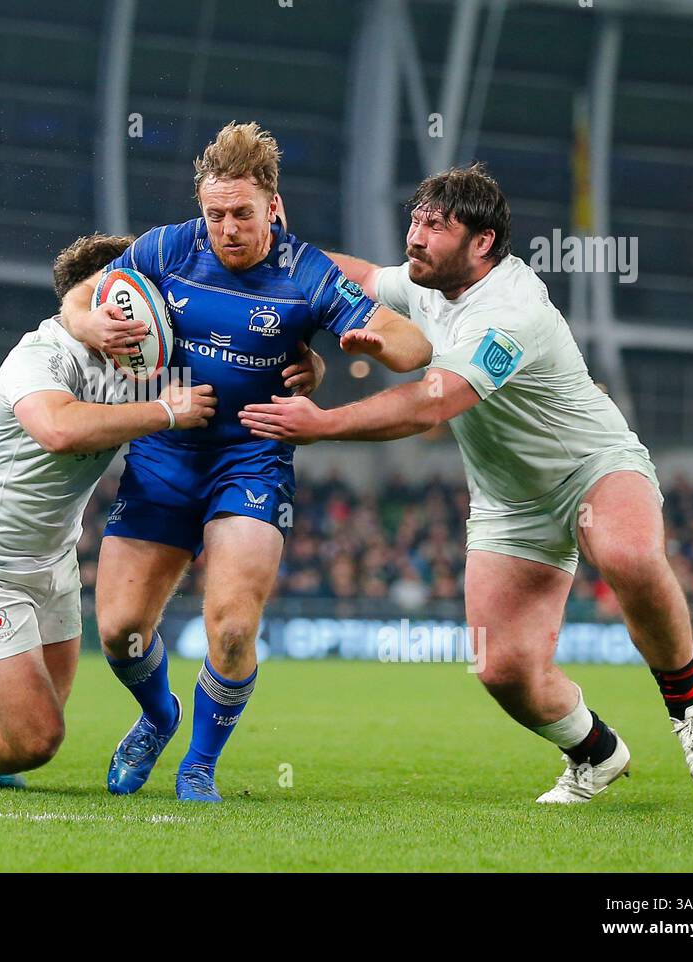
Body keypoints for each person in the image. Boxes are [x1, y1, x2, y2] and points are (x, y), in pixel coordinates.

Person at [240, 163, 693, 802]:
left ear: (481, 244)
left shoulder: (510, 310)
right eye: (415, 219)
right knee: (501, 668)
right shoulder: (427, 284)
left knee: (630, 555)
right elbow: (357, 274)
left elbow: (432, 404)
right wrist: (277, 248)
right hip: (508, 501)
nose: (415, 237)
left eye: (436, 226)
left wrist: (323, 425)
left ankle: (689, 711)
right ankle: (595, 753)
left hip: (593, 466)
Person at [59, 122, 432, 801]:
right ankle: (158, 716)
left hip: (252, 459)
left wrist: (369, 342)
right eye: (215, 213)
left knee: (230, 628)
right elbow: (78, 299)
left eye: (242, 214)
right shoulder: (169, 246)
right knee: (117, 633)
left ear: (273, 207)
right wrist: (92, 325)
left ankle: (199, 765)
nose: (226, 228)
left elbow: (412, 347)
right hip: (164, 453)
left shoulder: (306, 272)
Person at [0, 233, 289, 788]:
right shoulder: (39, 357)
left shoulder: (130, 363)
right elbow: (59, 430)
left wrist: (306, 364)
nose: (146, 322)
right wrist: (167, 411)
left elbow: (238, 352)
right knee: (37, 739)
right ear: (106, 301)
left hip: (52, 565)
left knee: (41, 698)